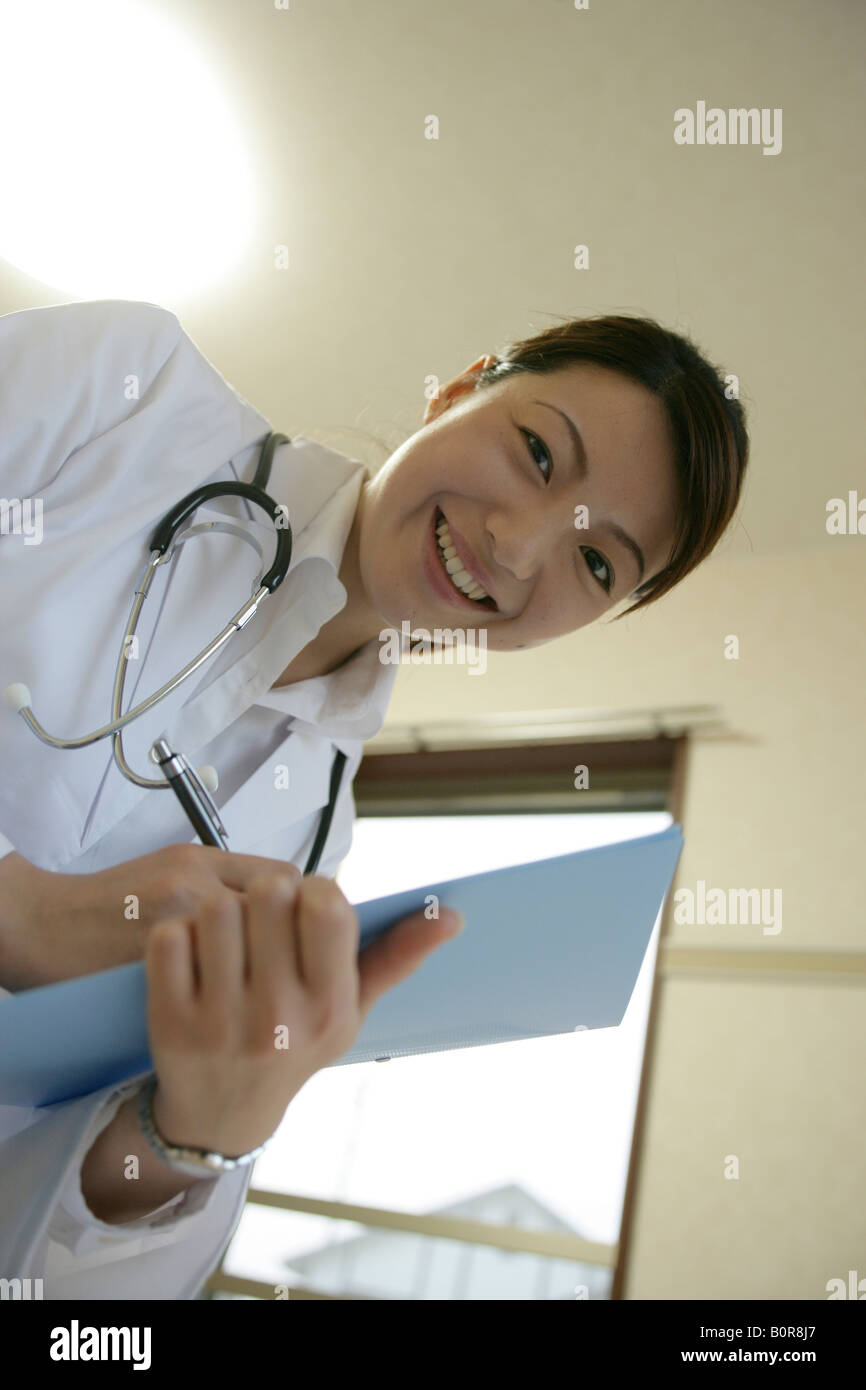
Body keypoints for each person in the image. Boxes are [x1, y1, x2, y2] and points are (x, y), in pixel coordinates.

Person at [0, 299, 748, 1298]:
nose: (518, 551)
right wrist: (21, 912)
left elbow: (72, 1291)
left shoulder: (312, 847)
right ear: (457, 387)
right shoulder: (123, 395)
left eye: (597, 561)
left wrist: (188, 1141)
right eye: (535, 450)